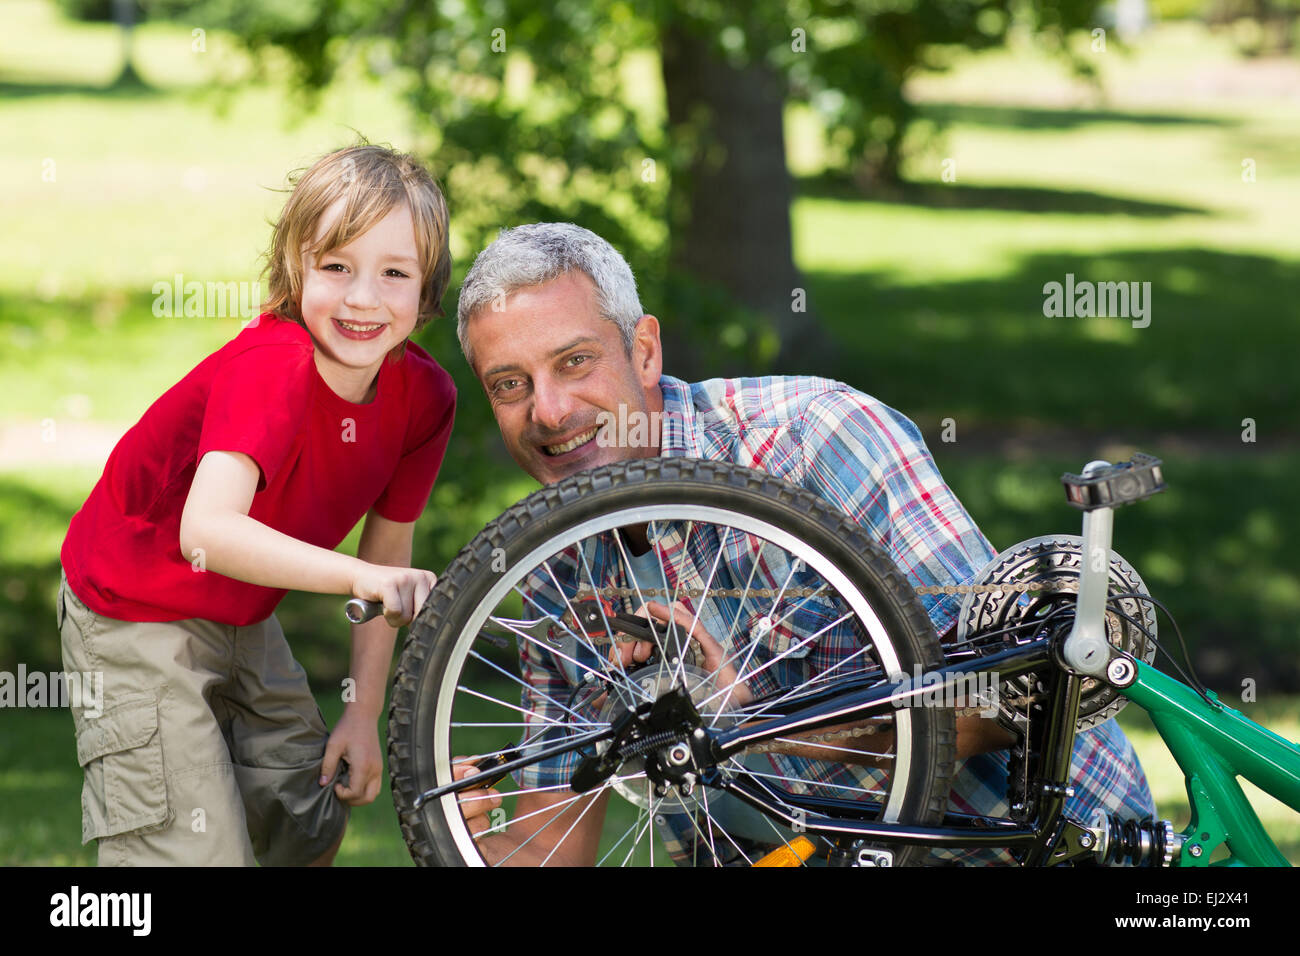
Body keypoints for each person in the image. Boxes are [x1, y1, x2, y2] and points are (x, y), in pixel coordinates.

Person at [447, 221, 1156, 866]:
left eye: (573, 362)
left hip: (1028, 848)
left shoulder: (812, 440)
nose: (548, 411)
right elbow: (549, 844)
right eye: (510, 384)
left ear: (644, 350)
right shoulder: (551, 577)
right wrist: (474, 836)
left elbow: (1008, 687)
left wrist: (750, 727)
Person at [57, 143, 457, 866]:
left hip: (240, 607)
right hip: (132, 606)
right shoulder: (274, 367)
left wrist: (364, 713)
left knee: (304, 810)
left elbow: (387, 553)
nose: (363, 297)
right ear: (295, 267)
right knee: (186, 846)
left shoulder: (424, 399)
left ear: (426, 290)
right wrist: (357, 580)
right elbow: (205, 531)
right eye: (336, 267)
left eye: (394, 273)